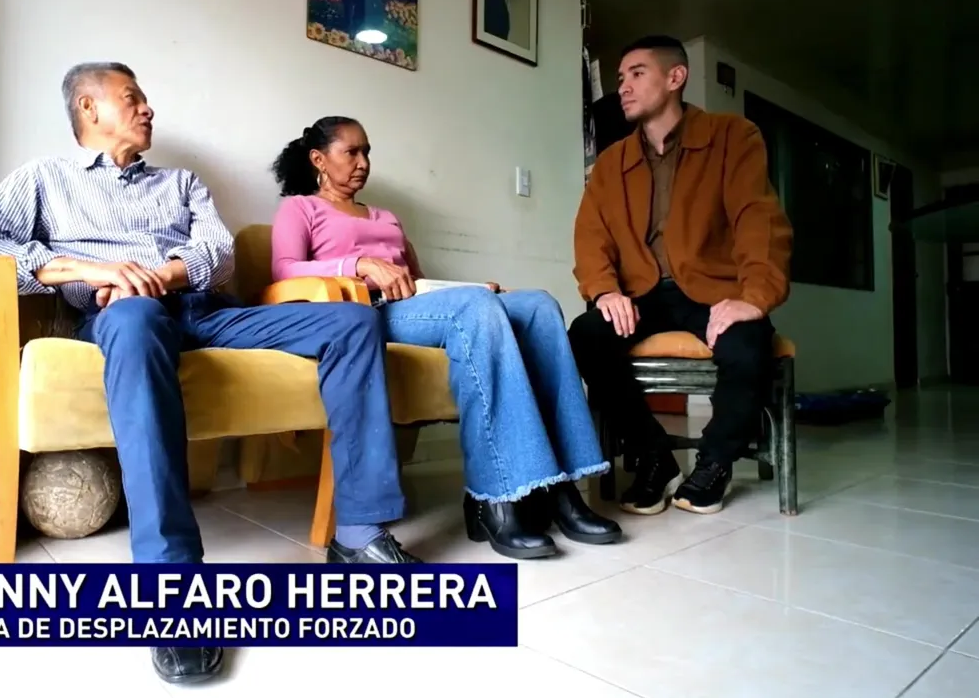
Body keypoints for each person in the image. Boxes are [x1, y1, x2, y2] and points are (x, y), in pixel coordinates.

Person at [0, 63, 418, 686]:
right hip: (121, 314)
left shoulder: (180, 183)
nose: (148, 108)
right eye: (132, 98)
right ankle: (172, 585)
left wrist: (164, 273)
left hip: (206, 310)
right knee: (135, 316)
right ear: (89, 108)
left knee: (353, 322)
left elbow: (218, 253)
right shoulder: (45, 178)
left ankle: (358, 530)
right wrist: (86, 271)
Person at [269, 116, 623, 562]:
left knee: (537, 305)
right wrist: (358, 265)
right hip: (365, 313)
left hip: (413, 304)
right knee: (476, 308)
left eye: (367, 152)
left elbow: (418, 283)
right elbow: (284, 271)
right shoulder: (300, 209)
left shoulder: (386, 217)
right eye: (351, 152)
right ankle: (496, 498)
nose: (363, 163)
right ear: (319, 160)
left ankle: (561, 489)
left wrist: (473, 290)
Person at [568, 36, 793, 516]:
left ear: (676, 77)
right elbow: (591, 237)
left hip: (714, 289)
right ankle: (653, 458)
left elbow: (758, 220)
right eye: (620, 78)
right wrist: (605, 291)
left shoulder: (734, 137)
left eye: (637, 74)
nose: (623, 87)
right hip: (641, 292)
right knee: (586, 334)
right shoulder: (610, 163)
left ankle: (714, 463)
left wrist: (754, 297)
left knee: (748, 343)